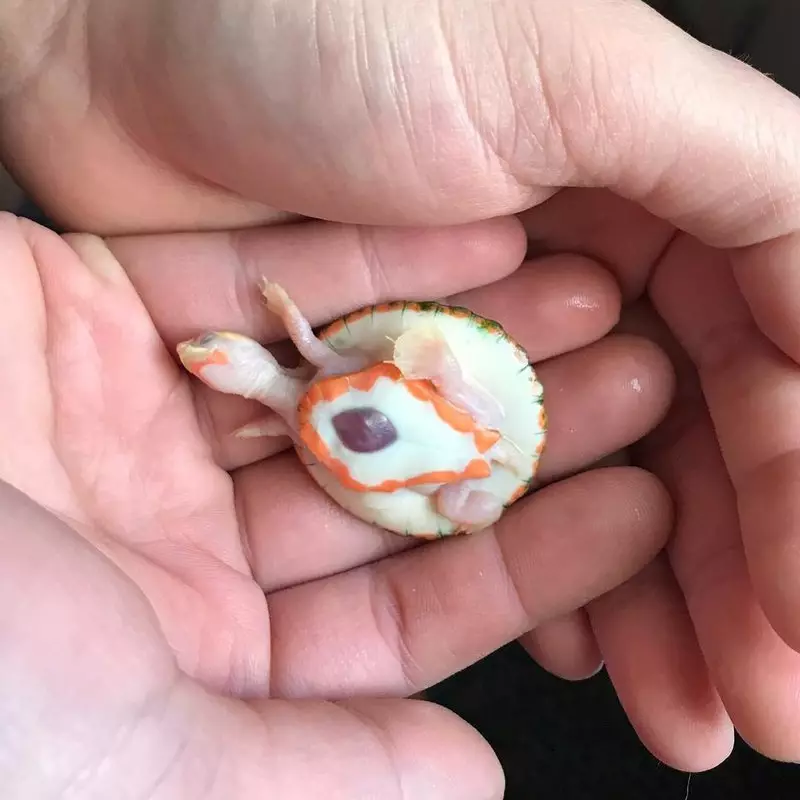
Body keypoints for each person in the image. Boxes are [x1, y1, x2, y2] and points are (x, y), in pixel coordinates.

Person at [3, 0, 800, 795]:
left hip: (452, 439)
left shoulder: (305, 386)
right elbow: (312, 390)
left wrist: (77, 35)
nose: (212, 357)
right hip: (444, 444)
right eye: (218, 362)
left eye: (217, 356)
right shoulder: (294, 410)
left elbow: (310, 356)